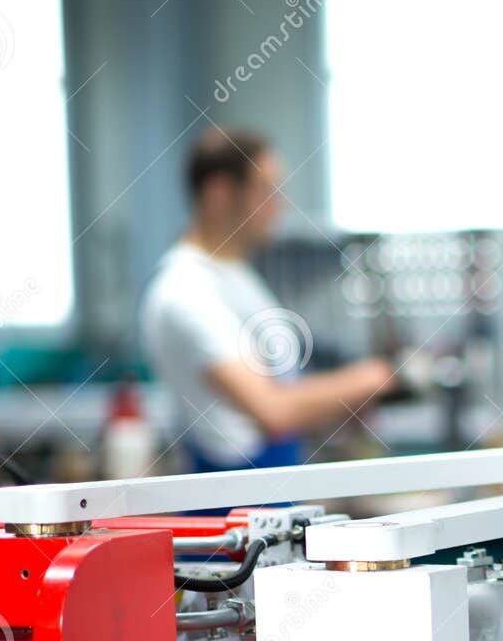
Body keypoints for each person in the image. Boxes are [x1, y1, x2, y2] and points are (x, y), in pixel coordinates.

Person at [141, 126, 401, 472]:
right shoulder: (183, 292)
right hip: (232, 492)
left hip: (272, 480)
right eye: (265, 190)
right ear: (219, 194)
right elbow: (273, 411)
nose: (278, 206)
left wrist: (338, 406)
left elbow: (284, 387)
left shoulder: (236, 273)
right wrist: (371, 378)